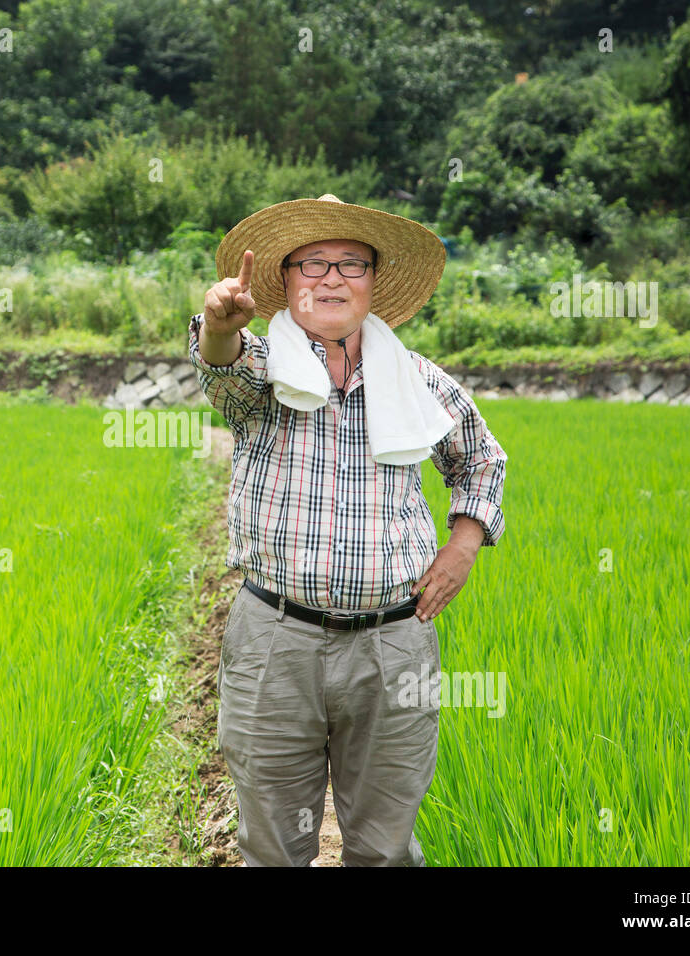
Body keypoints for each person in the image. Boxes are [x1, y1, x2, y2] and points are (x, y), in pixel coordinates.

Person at [188, 193, 508, 866]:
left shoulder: (418, 381)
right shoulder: (264, 374)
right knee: (272, 845)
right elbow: (220, 360)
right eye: (312, 264)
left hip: (393, 646)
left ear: (373, 283)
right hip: (276, 641)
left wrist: (463, 544)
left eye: (350, 264)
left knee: (384, 848)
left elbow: (480, 459)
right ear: (286, 282)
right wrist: (220, 323)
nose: (331, 278)